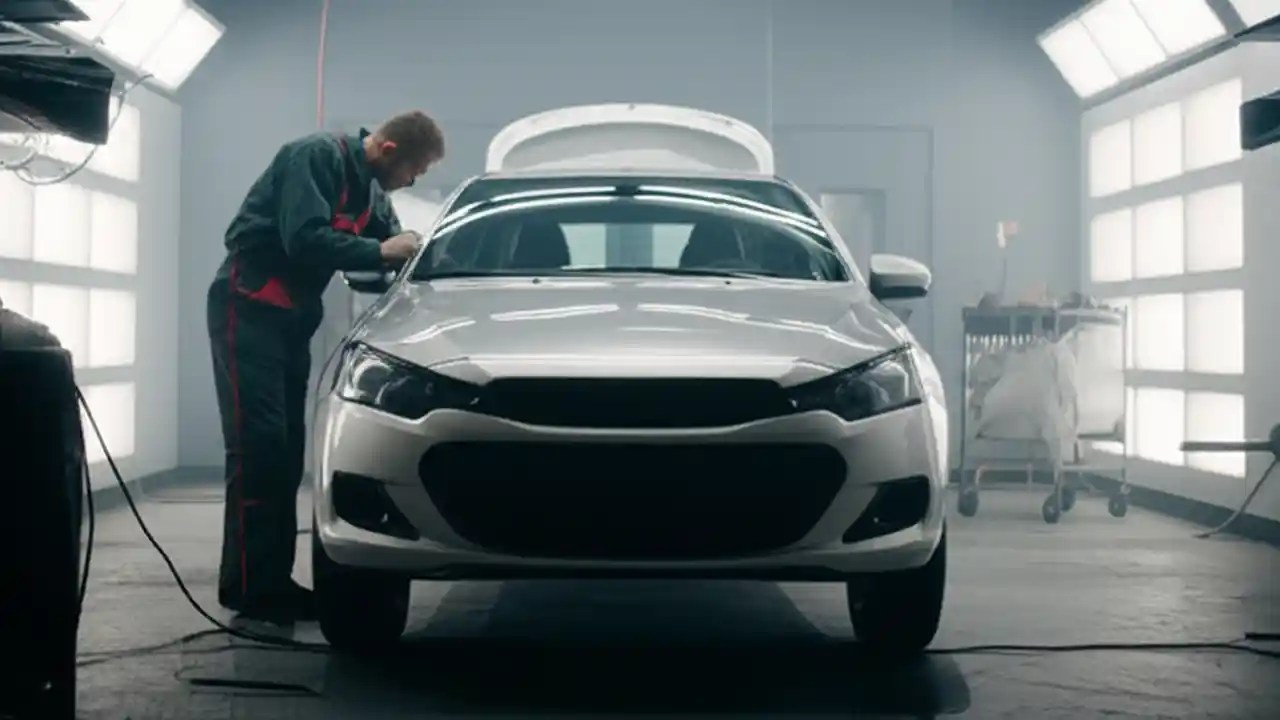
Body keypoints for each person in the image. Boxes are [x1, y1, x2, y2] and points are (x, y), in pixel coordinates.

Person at [206, 111, 444, 623]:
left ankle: (269, 583)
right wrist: (381, 249)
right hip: (247, 306)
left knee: (288, 450)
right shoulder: (314, 157)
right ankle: (249, 589)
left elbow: (392, 251)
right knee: (260, 447)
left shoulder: (374, 194)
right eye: (415, 170)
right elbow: (304, 238)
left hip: (290, 318)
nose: (413, 181)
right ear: (388, 149)